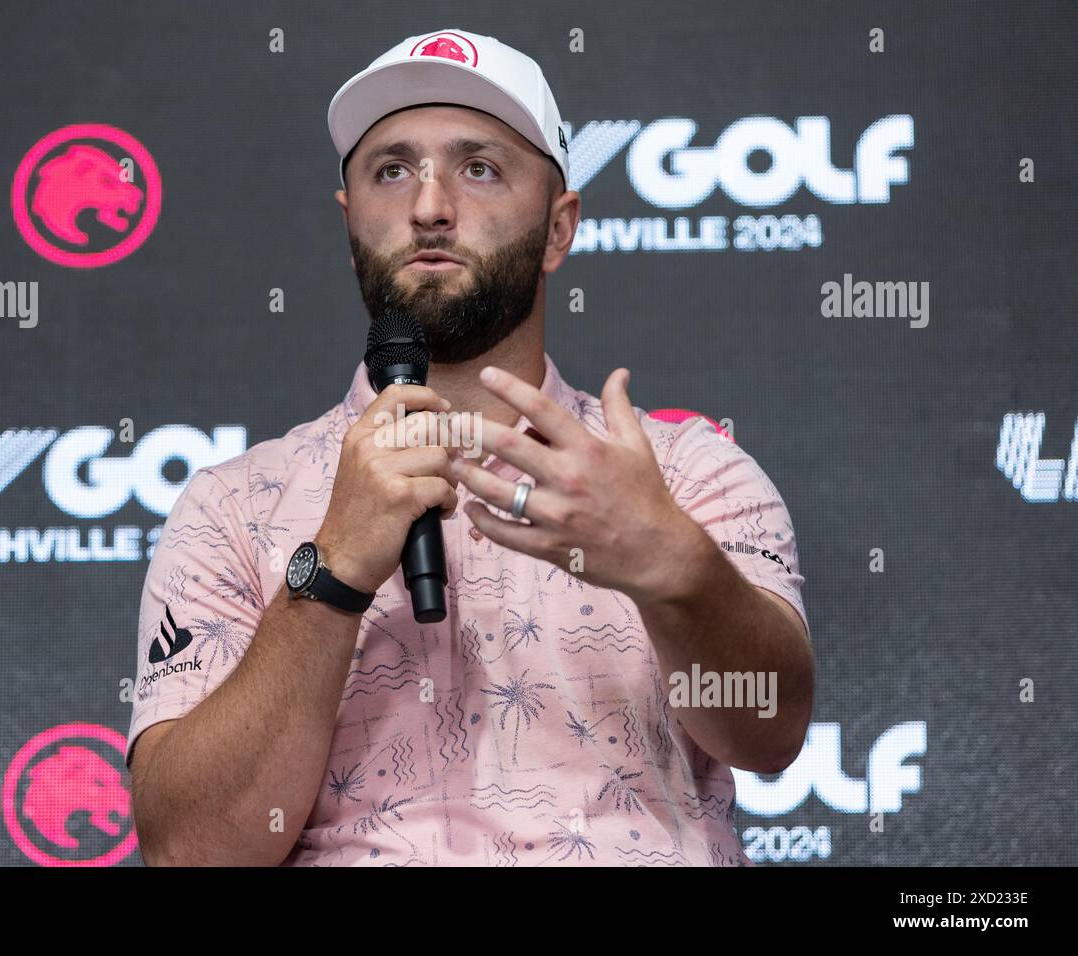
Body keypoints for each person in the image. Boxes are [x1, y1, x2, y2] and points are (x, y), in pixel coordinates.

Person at [126, 28, 813, 867]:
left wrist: (674, 567)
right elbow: (190, 852)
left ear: (559, 229)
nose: (429, 207)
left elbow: (771, 734)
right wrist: (329, 572)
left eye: (479, 168)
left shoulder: (683, 474)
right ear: (350, 222)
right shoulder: (232, 504)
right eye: (391, 171)